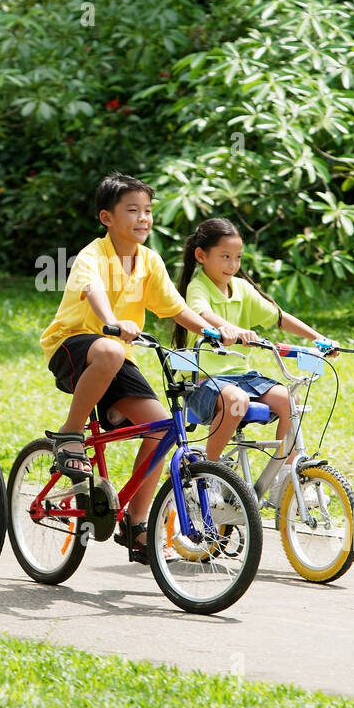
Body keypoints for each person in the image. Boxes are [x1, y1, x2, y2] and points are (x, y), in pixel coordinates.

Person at [40, 172, 236, 563]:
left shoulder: (149, 261)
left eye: (147, 210)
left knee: (163, 428)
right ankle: (70, 433)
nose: (143, 218)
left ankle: (136, 521)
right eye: (132, 210)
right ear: (107, 217)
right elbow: (93, 290)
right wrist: (112, 321)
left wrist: (213, 329)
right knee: (111, 352)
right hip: (74, 347)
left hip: (116, 356)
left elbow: (175, 308)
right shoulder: (92, 256)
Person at [173, 217, 336, 467]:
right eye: (225, 256)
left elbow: (279, 318)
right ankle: (211, 473)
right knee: (237, 401)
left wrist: (318, 338)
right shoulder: (198, 287)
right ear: (201, 255)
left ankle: (285, 473)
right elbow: (202, 314)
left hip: (241, 376)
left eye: (238, 257)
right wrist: (230, 329)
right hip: (203, 381)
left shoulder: (242, 289)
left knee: (288, 401)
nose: (233, 264)